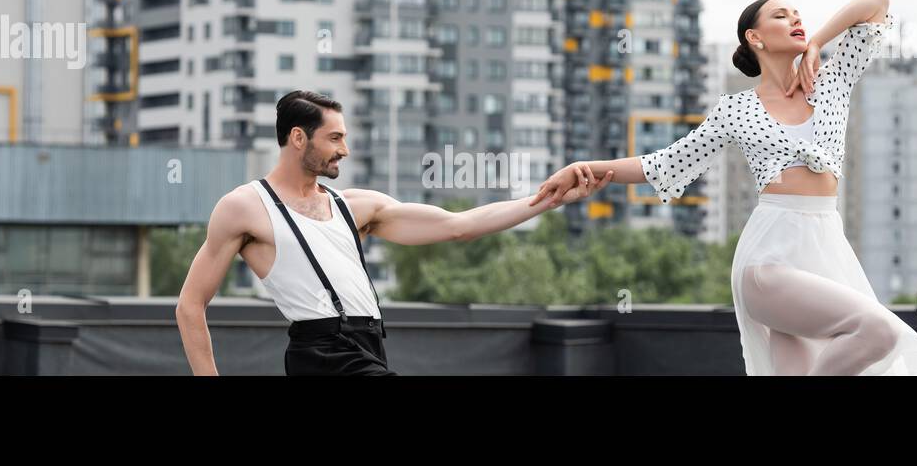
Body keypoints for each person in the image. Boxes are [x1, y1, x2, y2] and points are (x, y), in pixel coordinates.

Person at [533, 0, 917, 376]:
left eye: (797, 14)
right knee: (881, 332)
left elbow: (876, 1)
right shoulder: (735, 110)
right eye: (780, 15)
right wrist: (584, 167)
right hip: (769, 259)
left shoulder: (832, 78)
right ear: (755, 37)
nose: (795, 19)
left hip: (825, 251)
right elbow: (665, 163)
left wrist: (817, 43)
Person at [176, 90, 612, 376]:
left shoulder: (356, 206)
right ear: (297, 138)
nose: (344, 149)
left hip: (369, 344)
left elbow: (458, 226)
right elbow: (191, 305)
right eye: (334, 138)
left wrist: (546, 200)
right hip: (321, 351)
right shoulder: (243, 207)